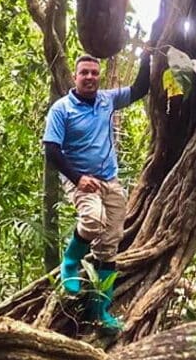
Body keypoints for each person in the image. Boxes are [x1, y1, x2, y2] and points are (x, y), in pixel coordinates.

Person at [43, 49, 151, 332]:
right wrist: (78, 178)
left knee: (109, 247)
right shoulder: (62, 109)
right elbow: (51, 151)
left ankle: (99, 311)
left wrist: (148, 55)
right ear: (75, 77)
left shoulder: (107, 99)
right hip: (81, 180)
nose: (90, 77)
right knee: (92, 219)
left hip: (110, 182)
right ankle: (70, 261)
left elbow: (140, 89)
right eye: (84, 73)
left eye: (94, 72)